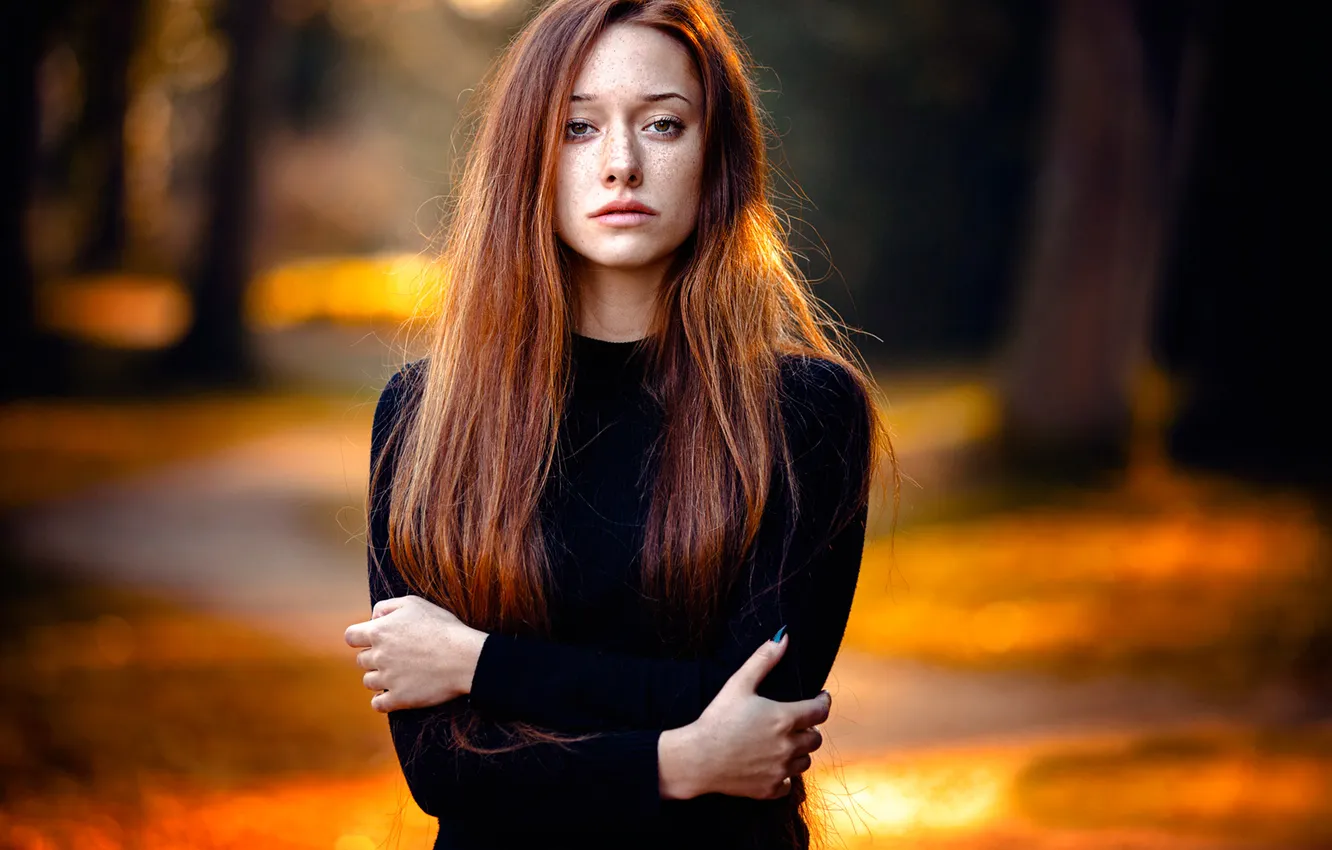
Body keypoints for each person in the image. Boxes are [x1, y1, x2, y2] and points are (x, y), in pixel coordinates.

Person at [342, 0, 894, 847]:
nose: (621, 164)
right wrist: (678, 762)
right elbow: (444, 770)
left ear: (717, 156)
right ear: (528, 155)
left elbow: (758, 714)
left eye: (664, 125)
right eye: (577, 129)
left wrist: (477, 662)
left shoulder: (806, 414)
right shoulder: (426, 419)